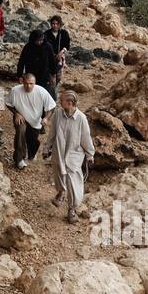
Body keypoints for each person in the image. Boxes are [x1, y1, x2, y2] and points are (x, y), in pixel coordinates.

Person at [49, 89, 95, 222]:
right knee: (58, 173)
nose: (59, 102)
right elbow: (52, 132)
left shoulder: (81, 118)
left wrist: (90, 154)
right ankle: (61, 192)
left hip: (74, 154)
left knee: (73, 180)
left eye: (61, 100)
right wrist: (47, 148)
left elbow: (86, 137)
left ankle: (72, 209)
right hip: (59, 151)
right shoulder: (58, 113)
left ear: (69, 103)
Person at [7, 72, 56, 169]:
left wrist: (46, 118)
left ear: (35, 83)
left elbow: (51, 107)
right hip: (21, 117)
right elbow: (8, 104)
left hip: (35, 120)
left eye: (31, 83)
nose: (28, 86)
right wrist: (16, 113)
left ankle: (31, 154)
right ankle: (19, 159)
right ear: (22, 82)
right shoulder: (15, 90)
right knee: (20, 132)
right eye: (26, 83)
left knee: (33, 141)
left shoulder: (41, 91)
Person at [43, 15, 71, 87]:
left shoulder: (64, 33)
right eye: (53, 24)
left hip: (60, 57)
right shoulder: (46, 34)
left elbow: (67, 46)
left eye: (56, 24)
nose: (55, 26)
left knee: (59, 76)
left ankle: (55, 87)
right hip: (49, 57)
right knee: (50, 75)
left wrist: (61, 52)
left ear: (59, 24)